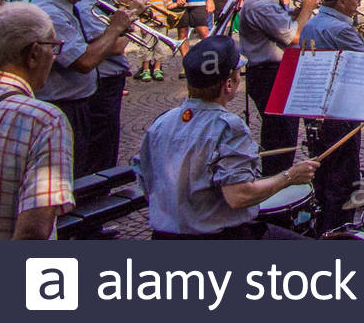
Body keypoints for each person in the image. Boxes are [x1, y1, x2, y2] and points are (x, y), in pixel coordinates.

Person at [134, 35, 319, 239]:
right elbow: (239, 196)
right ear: (228, 85)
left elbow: (146, 186)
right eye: (238, 74)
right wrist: (290, 176)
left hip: (163, 237)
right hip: (219, 237)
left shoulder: (161, 122)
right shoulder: (228, 126)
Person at [298, 0, 364, 232]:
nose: (359, 2)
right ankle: (338, 234)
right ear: (342, 0)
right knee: (343, 182)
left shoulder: (313, 24)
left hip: (317, 110)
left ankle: (323, 229)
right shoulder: (340, 29)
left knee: (324, 179)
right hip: (341, 112)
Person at [0, 2, 75, 239]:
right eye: (53, 47)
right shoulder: (44, 121)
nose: (53, 56)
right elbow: (34, 230)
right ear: (33, 54)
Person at [33, 0, 132, 177]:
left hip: (77, 102)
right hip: (63, 105)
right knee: (75, 173)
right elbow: (84, 61)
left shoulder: (66, 7)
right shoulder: (51, 13)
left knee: (89, 166)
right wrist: (115, 28)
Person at [238, 0, 319, 175]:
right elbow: (293, 36)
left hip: (275, 72)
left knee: (285, 133)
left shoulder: (269, 1)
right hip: (268, 75)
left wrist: (298, 11)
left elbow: (285, 23)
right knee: (280, 136)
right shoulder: (261, 4)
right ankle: (277, 183)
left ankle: (280, 179)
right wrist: (307, 8)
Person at [76, 0, 131, 174]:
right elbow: (115, 46)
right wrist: (127, 26)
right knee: (100, 150)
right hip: (102, 82)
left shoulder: (100, 2)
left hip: (109, 79)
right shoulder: (86, 7)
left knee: (107, 145)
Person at [136, 0, 175, 81]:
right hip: (149, 24)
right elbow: (141, 8)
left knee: (160, 48)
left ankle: (157, 69)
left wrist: (178, 4)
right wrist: (142, 22)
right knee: (146, 47)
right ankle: (146, 70)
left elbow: (168, 5)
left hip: (162, 23)